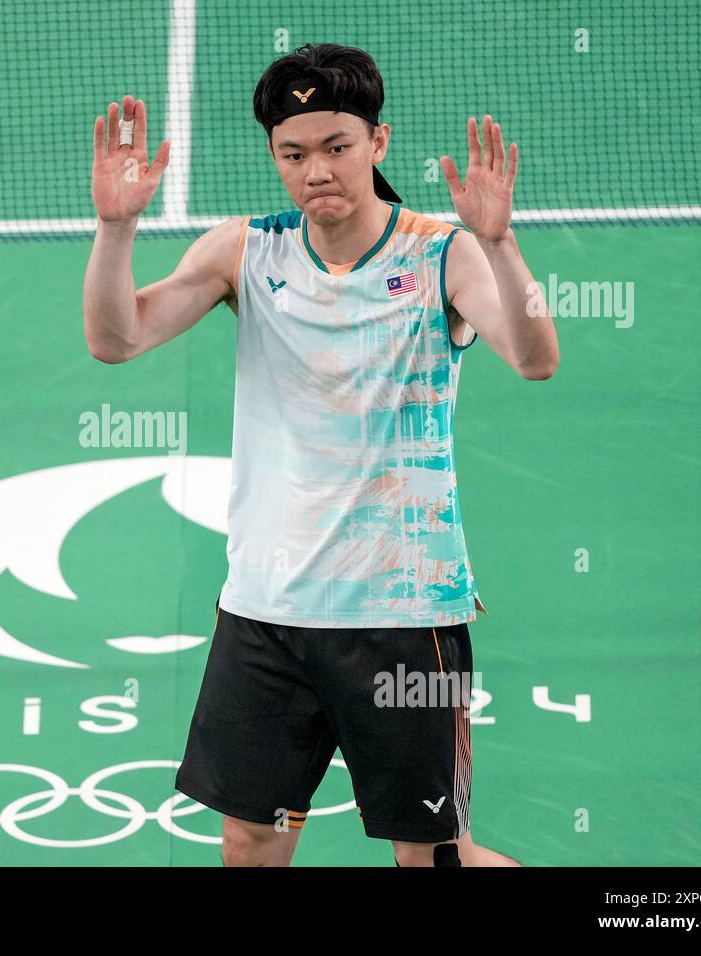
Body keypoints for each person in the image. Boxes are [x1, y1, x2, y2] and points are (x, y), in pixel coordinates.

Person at [83, 42, 557, 866]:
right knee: (250, 843)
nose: (316, 171)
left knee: (432, 858)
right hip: (268, 609)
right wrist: (116, 229)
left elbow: (535, 354)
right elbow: (115, 339)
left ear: (378, 142)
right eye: (293, 154)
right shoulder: (244, 251)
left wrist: (502, 244)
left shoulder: (441, 254)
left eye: (337, 147)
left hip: (406, 616)